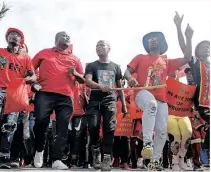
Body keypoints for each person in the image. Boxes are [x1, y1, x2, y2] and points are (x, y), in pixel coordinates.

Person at [124, 22, 193, 170]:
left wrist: (187, 35)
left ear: (161, 43)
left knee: (162, 132)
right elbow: (127, 71)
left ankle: (155, 161)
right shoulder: (140, 57)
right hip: (142, 93)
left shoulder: (166, 61)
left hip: (162, 99)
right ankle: (147, 142)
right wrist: (130, 78)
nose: (152, 40)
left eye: (156, 39)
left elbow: (187, 57)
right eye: (150, 39)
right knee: (151, 104)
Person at [31, 31, 84, 170]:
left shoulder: (75, 59)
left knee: (63, 127)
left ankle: (57, 159)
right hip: (45, 93)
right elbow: (30, 69)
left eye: (69, 36)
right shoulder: (44, 53)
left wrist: (76, 73)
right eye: (64, 35)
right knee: (41, 121)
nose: (67, 37)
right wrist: (33, 82)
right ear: (56, 39)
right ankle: (39, 149)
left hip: (66, 96)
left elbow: (83, 79)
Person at [0, 27, 37, 169]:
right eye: (11, 34)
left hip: (15, 94)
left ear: (21, 41)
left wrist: (29, 79)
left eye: (17, 35)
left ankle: (5, 157)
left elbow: (34, 75)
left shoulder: (26, 58)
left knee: (10, 125)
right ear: (7, 38)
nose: (14, 36)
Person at [84, 40, 127, 171]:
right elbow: (88, 81)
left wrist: (123, 105)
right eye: (96, 45)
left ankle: (107, 157)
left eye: (102, 45)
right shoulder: (91, 65)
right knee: (93, 126)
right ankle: (96, 151)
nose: (98, 47)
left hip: (110, 101)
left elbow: (119, 87)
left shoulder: (115, 67)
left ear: (109, 48)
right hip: (95, 101)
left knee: (110, 128)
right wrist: (99, 86)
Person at [174, 11, 210, 167]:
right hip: (197, 103)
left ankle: (204, 152)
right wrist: (180, 28)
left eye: (208, 46)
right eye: (203, 47)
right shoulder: (196, 63)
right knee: (194, 134)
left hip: (210, 103)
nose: (207, 48)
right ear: (197, 51)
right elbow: (184, 48)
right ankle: (199, 157)